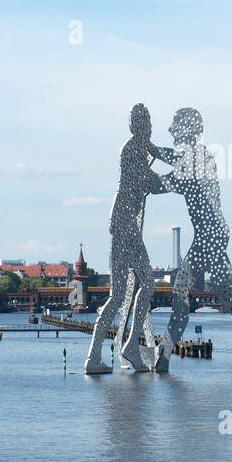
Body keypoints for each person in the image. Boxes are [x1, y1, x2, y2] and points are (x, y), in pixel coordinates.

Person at [149, 108, 232, 371]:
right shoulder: (199, 156)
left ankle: (164, 356)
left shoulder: (197, 159)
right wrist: (153, 149)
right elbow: (175, 159)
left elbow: (167, 183)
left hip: (210, 234)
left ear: (188, 129)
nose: (171, 131)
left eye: (175, 126)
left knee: (181, 291)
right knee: (226, 294)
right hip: (213, 233)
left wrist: (141, 178)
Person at [83, 104, 162, 373]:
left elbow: (158, 155)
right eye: (145, 123)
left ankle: (94, 357)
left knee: (117, 295)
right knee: (148, 284)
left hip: (120, 223)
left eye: (149, 122)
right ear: (136, 126)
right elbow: (152, 182)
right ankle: (129, 347)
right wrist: (183, 180)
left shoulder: (138, 147)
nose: (149, 127)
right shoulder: (133, 150)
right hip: (126, 224)